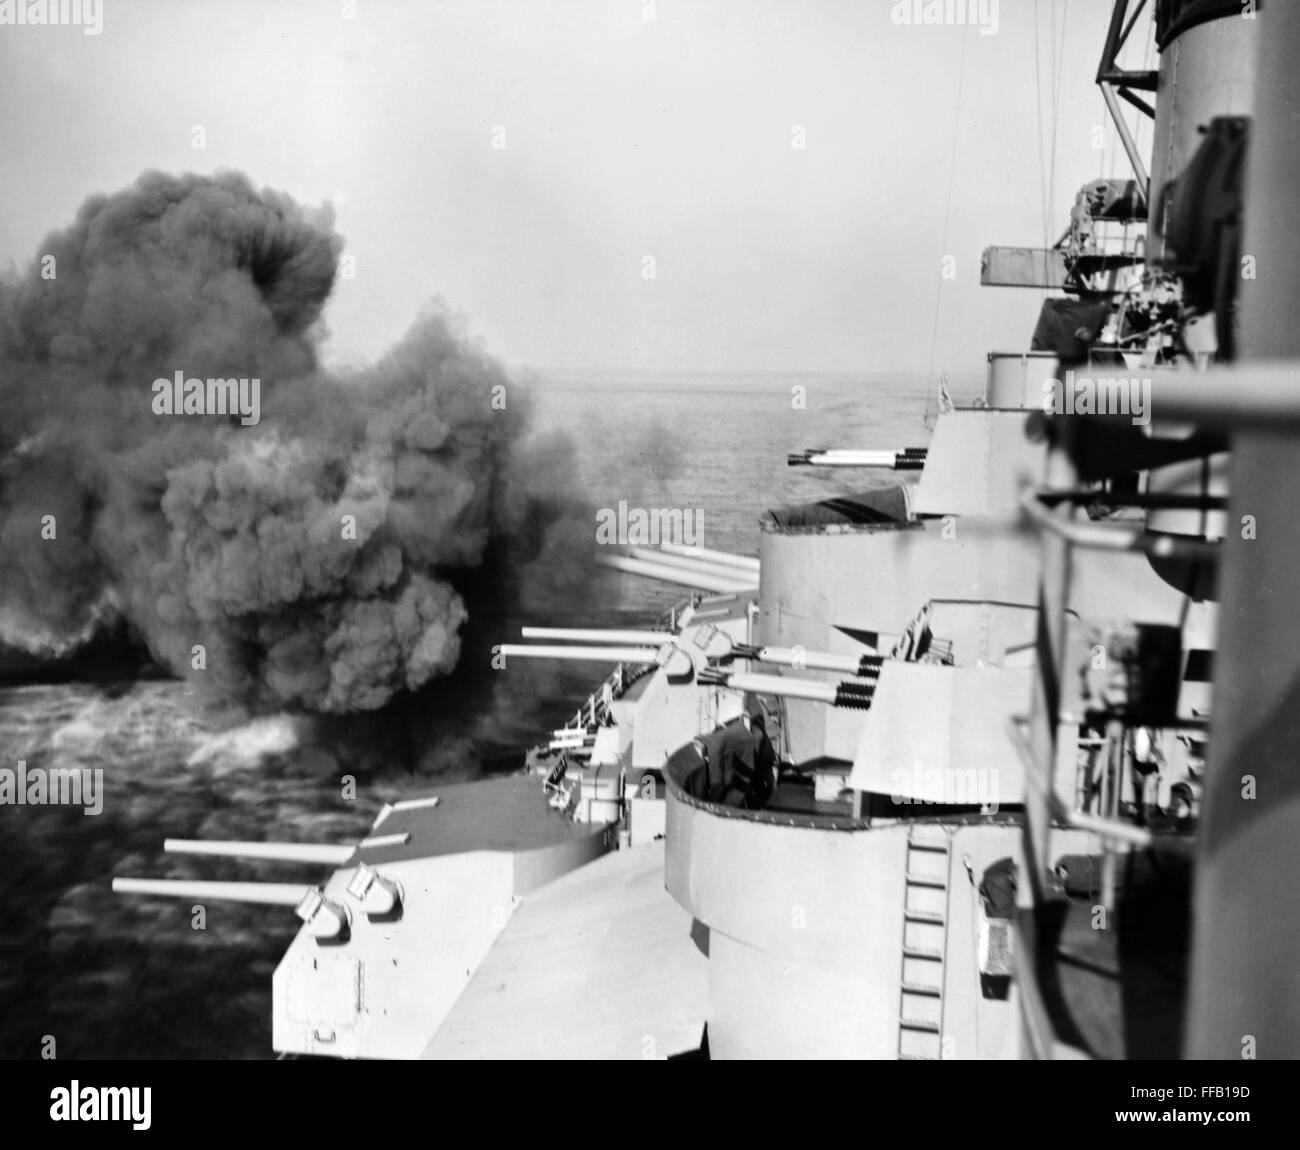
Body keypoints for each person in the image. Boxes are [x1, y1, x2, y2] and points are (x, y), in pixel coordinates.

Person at [692, 712, 776, 810]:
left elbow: (720, 784)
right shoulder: (745, 734)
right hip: (755, 770)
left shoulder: (748, 742)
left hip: (755, 776)